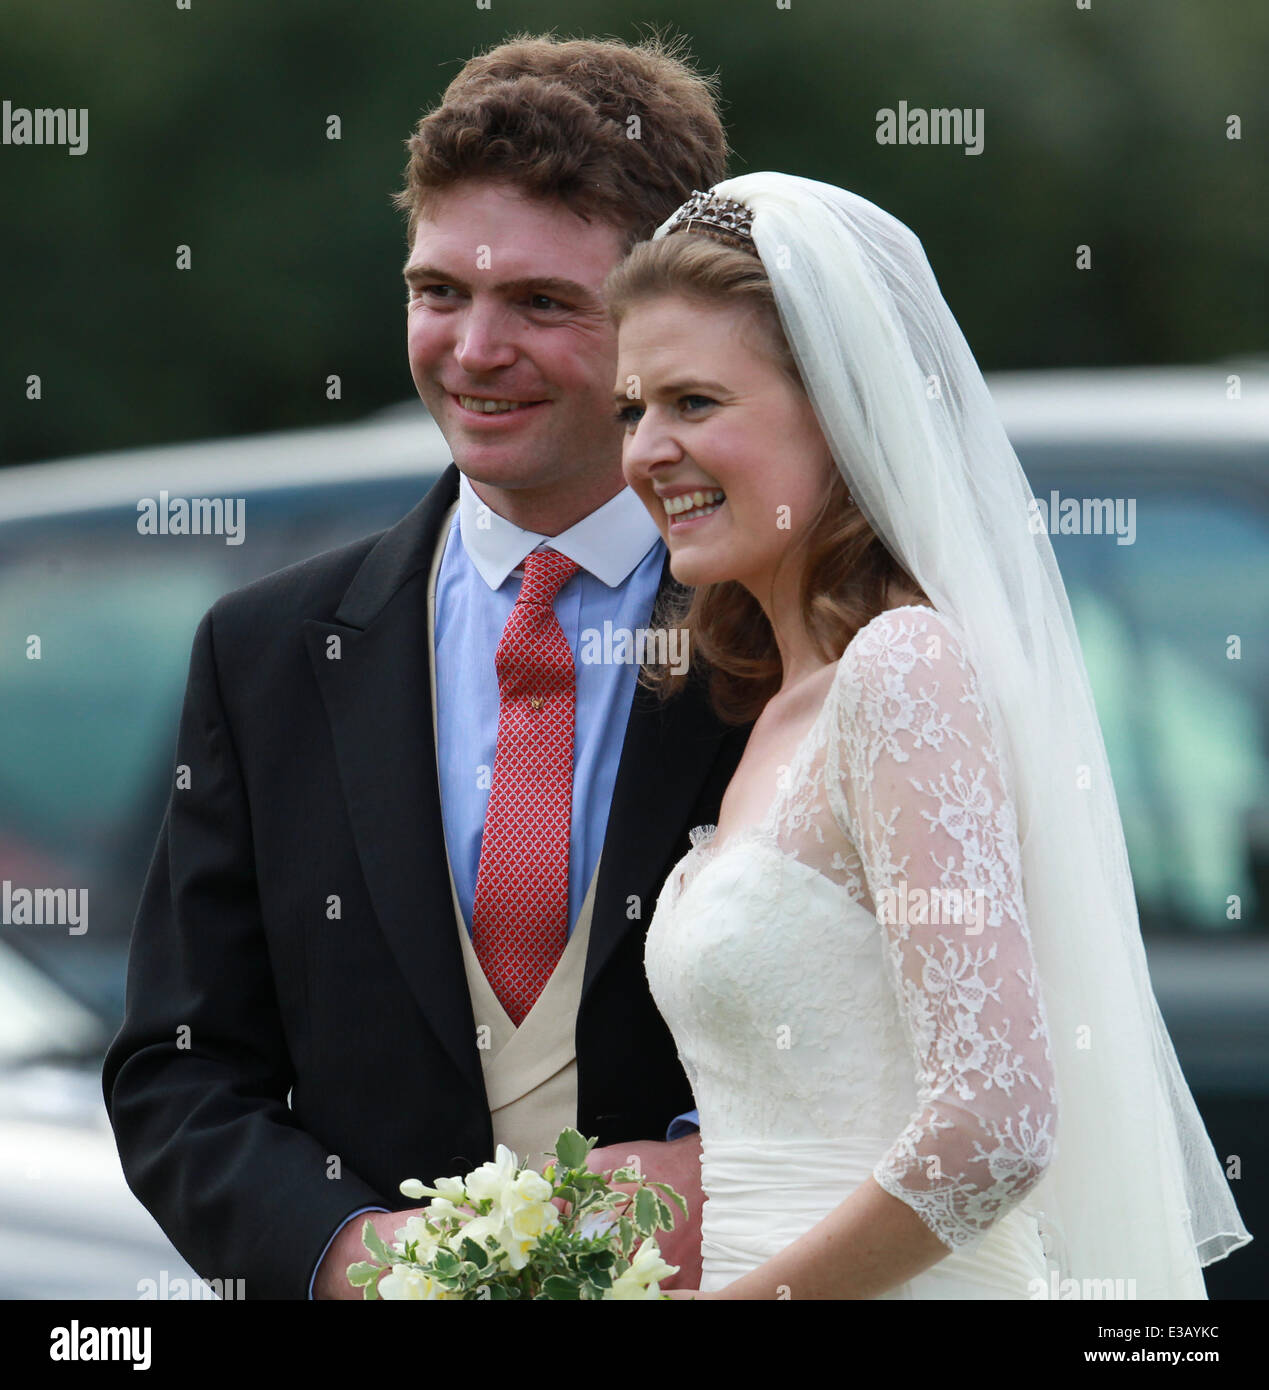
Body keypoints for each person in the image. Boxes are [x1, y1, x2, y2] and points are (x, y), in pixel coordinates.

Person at [101, 34, 744, 1300]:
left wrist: (711, 1192)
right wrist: (354, 1256)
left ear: (664, 317)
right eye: (439, 290)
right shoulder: (264, 651)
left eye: (544, 304)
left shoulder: (786, 635)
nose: (473, 349)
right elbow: (177, 1068)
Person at [605, 173, 1253, 1298]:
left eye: (695, 403)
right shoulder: (782, 702)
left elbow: (995, 1122)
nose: (646, 451)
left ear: (839, 409)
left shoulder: (901, 671)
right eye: (632, 409)